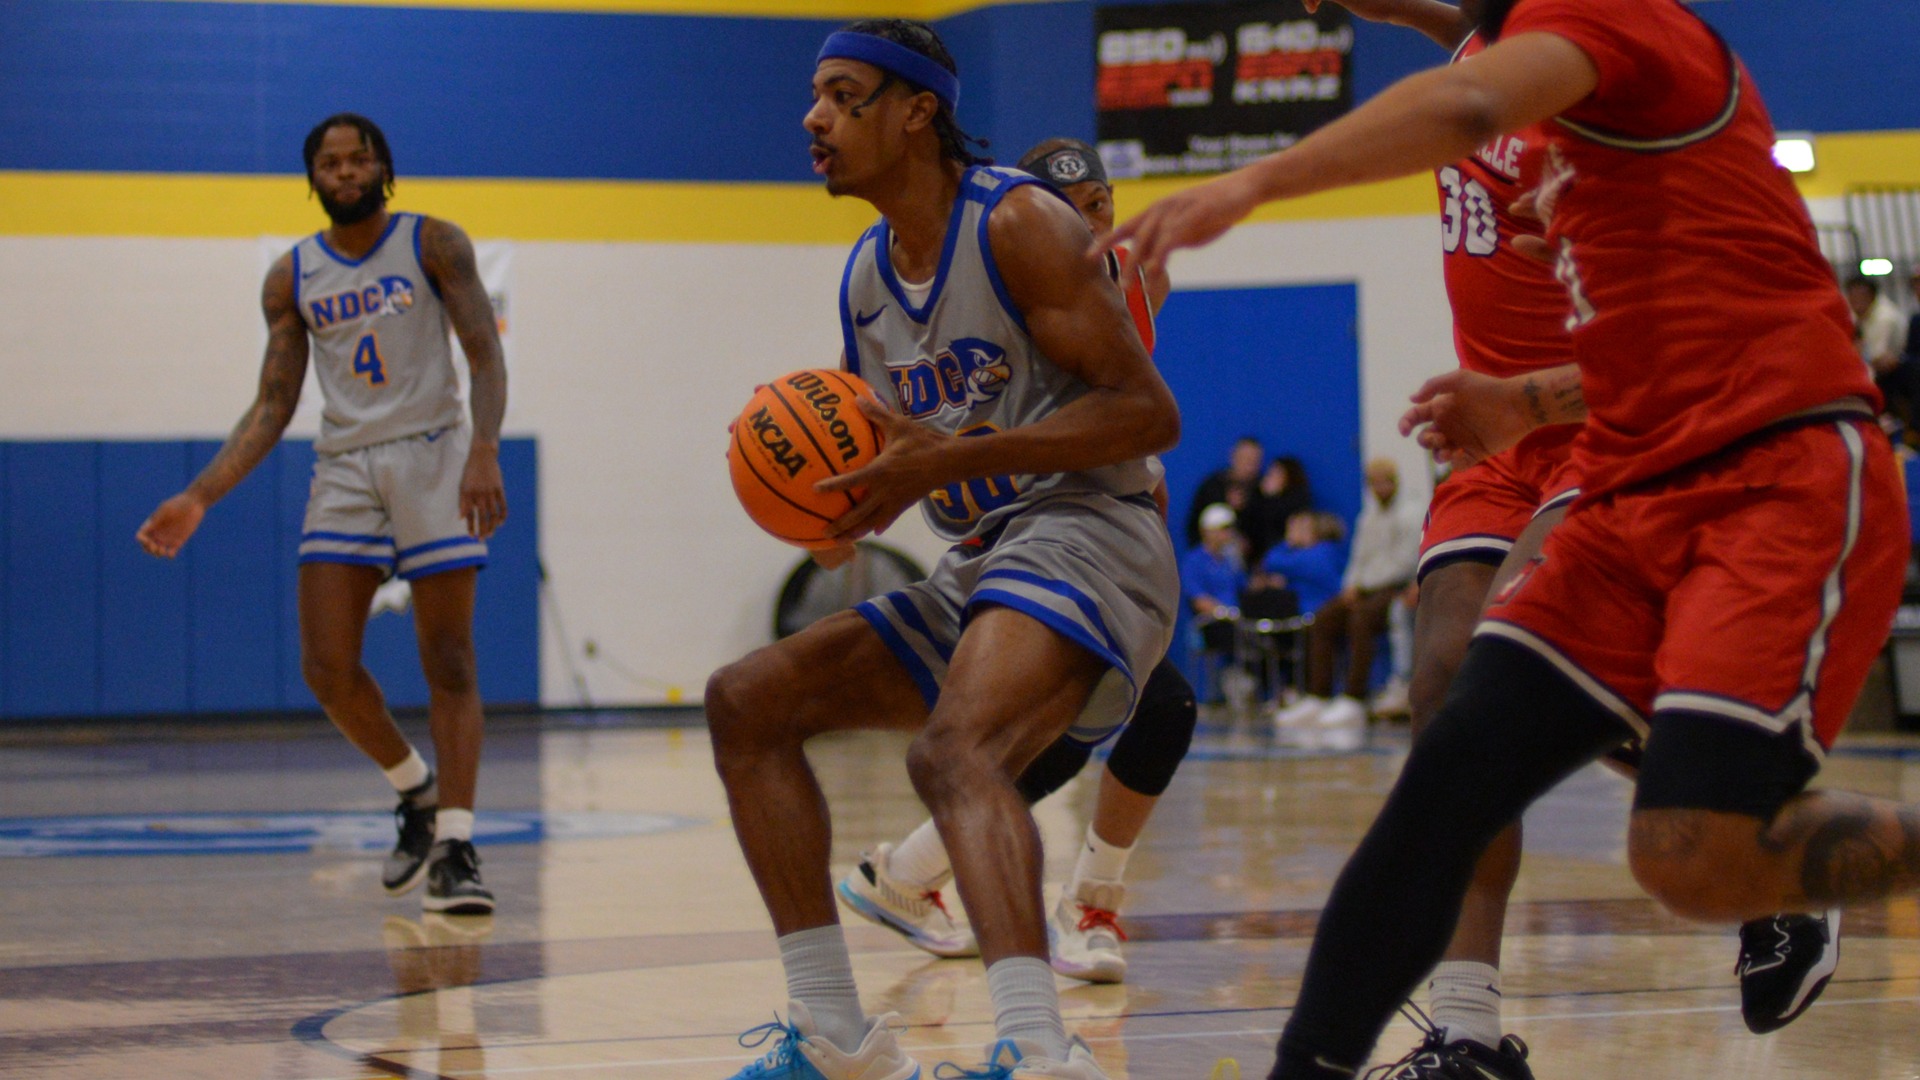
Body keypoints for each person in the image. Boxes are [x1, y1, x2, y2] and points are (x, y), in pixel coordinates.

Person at [1103, 0, 1908, 1076]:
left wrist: (1251, 183)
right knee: (1449, 771)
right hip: (1626, 487)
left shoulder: (1611, 20)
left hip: (1771, 479)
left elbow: (1470, 98)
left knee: (1691, 858)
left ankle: (1776, 866)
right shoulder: (1553, 113)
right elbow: (1651, 329)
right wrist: (1522, 403)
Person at [708, 20, 1181, 1080]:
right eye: (814, 95)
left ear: (918, 111)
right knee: (745, 701)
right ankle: (834, 1036)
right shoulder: (866, 279)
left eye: (841, 95)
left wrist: (955, 456)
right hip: (990, 556)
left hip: (1098, 531)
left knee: (951, 754)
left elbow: (1148, 415)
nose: (811, 118)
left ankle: (1039, 1051)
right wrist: (837, 507)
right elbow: (892, 452)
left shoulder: (1020, 222)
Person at [837, 135, 1200, 989]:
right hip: (1005, 528)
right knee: (1145, 709)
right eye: (1063, 206)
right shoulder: (996, 273)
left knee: (1073, 724)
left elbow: (1125, 411)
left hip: (1082, 528)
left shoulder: (1139, 282)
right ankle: (1082, 904)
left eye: (1099, 204)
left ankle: (907, 873)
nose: (1085, 220)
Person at [136, 113, 507, 916]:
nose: (346, 171)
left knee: (449, 657)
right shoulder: (290, 276)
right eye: (330, 163)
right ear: (313, 179)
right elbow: (273, 404)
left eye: (359, 156)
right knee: (326, 666)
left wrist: (485, 449)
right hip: (345, 466)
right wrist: (199, 495)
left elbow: (484, 352)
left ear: (385, 167)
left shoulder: (434, 243)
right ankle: (414, 790)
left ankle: (456, 844)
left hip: (435, 451)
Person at [1273, 459, 1421, 744]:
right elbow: (1357, 558)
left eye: (1384, 481)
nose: (1379, 488)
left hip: (1394, 588)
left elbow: (1405, 563)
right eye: (1373, 483)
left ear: (1395, 481)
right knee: (1324, 619)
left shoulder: (1410, 513)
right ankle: (1318, 695)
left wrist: (1365, 585)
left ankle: (1355, 696)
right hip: (1363, 588)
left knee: (1361, 619)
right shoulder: (1368, 517)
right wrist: (1351, 585)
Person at [1187, 436, 1266, 546]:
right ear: (1233, 456)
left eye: (1254, 461)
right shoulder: (1213, 486)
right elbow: (1195, 524)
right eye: (1245, 459)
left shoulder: (1263, 490)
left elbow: (1266, 529)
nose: (1249, 465)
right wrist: (1225, 503)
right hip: (1211, 555)